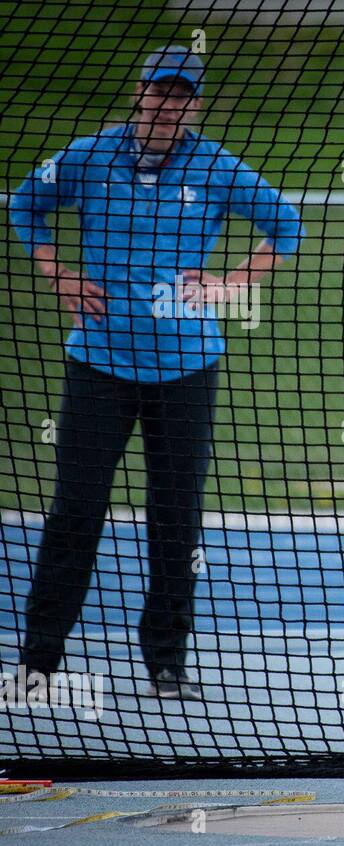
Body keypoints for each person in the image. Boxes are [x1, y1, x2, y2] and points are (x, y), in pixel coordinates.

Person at [7, 45, 304, 700]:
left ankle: (167, 662)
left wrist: (228, 286)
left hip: (186, 370)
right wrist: (57, 272)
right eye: (159, 92)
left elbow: (286, 225)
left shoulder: (216, 166)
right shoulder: (88, 158)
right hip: (99, 365)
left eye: (182, 95)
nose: (168, 105)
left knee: (175, 519)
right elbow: (24, 206)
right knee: (74, 513)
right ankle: (37, 665)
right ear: (138, 91)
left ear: (194, 104)